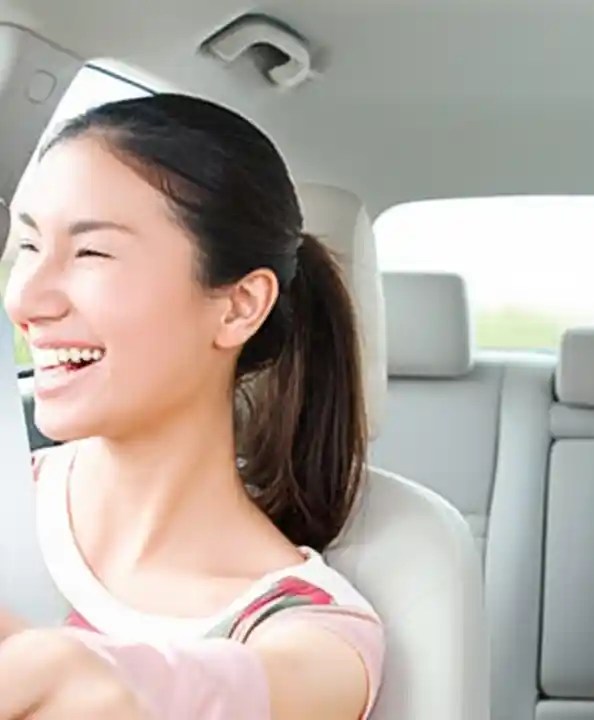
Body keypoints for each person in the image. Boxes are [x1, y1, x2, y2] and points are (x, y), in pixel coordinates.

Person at [0, 94, 383, 719]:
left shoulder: (311, 635)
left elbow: (252, 691)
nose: (27, 300)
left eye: (91, 252)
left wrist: (84, 675)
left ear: (237, 306)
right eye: (31, 248)